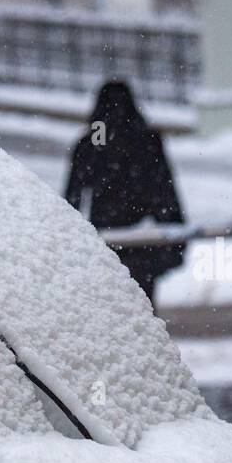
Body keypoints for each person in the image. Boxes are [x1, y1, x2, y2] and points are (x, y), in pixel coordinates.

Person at [64, 80, 185, 303]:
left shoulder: (90, 144)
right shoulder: (148, 141)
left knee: (108, 310)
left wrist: (67, 242)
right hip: (142, 241)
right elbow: (165, 190)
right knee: (143, 309)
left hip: (104, 241)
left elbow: (72, 199)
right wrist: (174, 235)